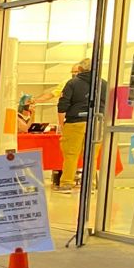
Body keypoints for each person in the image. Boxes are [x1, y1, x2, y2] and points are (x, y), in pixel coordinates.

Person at [56, 59, 103, 194]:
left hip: (75, 122)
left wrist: (62, 123)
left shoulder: (72, 83)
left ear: (81, 70)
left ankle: (66, 184)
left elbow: (63, 105)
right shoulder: (103, 84)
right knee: (92, 155)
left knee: (71, 154)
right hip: (96, 123)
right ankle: (91, 185)